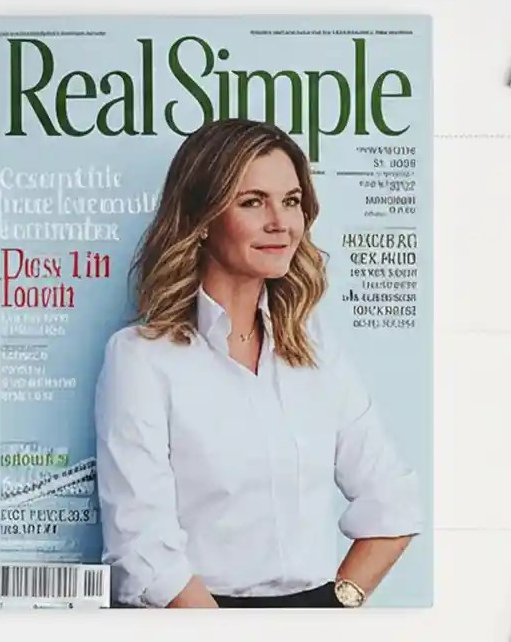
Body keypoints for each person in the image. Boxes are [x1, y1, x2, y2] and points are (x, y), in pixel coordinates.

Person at [94, 118, 423, 609]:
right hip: (195, 621)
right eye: (253, 202)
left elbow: (393, 503)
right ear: (202, 219)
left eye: (291, 201)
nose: (281, 222)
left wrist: (335, 608)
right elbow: (143, 553)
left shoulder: (314, 349)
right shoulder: (141, 358)